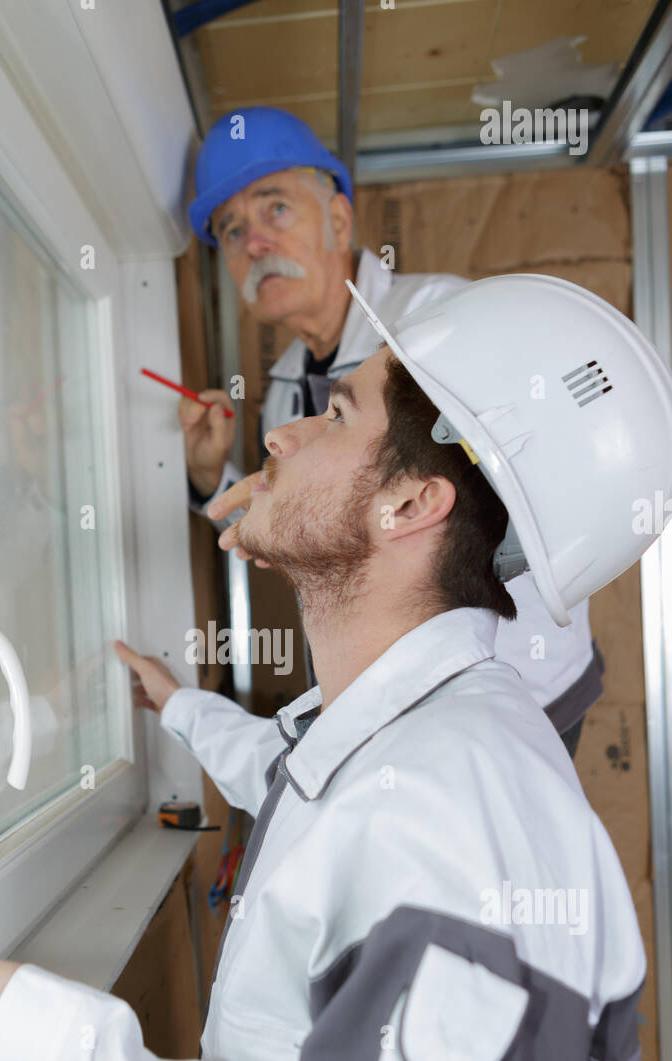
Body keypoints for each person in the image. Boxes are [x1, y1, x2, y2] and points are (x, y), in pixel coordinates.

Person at [0, 274, 672, 1061]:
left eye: (336, 414)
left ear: (411, 501)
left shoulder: (445, 818)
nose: (279, 436)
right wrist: (176, 708)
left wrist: (46, 1047)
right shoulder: (416, 734)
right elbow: (297, 781)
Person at [182, 106, 602, 755]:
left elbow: (539, 497)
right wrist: (215, 480)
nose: (254, 243)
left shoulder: (443, 322)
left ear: (340, 219)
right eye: (232, 231)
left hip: (520, 691)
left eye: (275, 210)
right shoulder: (288, 383)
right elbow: (309, 511)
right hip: (402, 714)